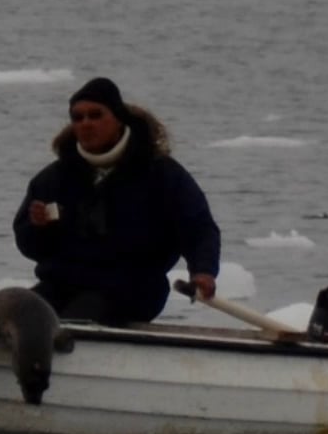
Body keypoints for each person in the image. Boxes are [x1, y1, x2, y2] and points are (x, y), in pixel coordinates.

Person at [12, 77, 220, 325]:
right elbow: (32, 248)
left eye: (95, 115)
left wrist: (203, 271)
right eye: (78, 118)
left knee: (75, 320)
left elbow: (198, 228)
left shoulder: (162, 175)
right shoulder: (52, 179)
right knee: (16, 314)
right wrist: (37, 228)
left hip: (134, 288)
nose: (86, 123)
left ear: (119, 119)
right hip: (62, 284)